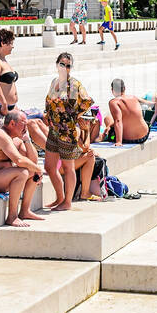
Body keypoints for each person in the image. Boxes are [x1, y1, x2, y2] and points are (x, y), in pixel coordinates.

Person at [0, 109, 46, 227]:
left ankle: (24, 211)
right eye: (24, 124)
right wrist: (39, 169)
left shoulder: (16, 139)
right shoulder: (0, 136)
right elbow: (19, 160)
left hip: (0, 178)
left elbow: (33, 161)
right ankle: (12, 217)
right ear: (12, 124)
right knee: (23, 173)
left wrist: (27, 140)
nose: (26, 127)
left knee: (31, 172)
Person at [42, 51, 98, 212]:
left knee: (68, 167)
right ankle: (60, 197)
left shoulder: (74, 84)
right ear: (57, 65)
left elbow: (87, 101)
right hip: (53, 130)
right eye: (62, 64)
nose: (65, 68)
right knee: (49, 166)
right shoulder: (54, 82)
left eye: (68, 65)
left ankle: (67, 201)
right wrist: (48, 114)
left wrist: (74, 116)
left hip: (67, 131)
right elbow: (48, 101)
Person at [0, 28, 48, 148]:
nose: (13, 47)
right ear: (3, 43)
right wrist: (4, 104)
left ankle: (56, 153)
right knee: (7, 140)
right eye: (11, 43)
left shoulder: (4, 60)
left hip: (11, 106)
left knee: (32, 125)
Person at [106, 78, 150, 145]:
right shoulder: (133, 97)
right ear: (124, 88)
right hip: (144, 136)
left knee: (107, 119)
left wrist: (119, 141)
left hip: (127, 139)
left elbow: (118, 121)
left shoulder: (114, 102)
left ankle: (110, 134)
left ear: (112, 90)